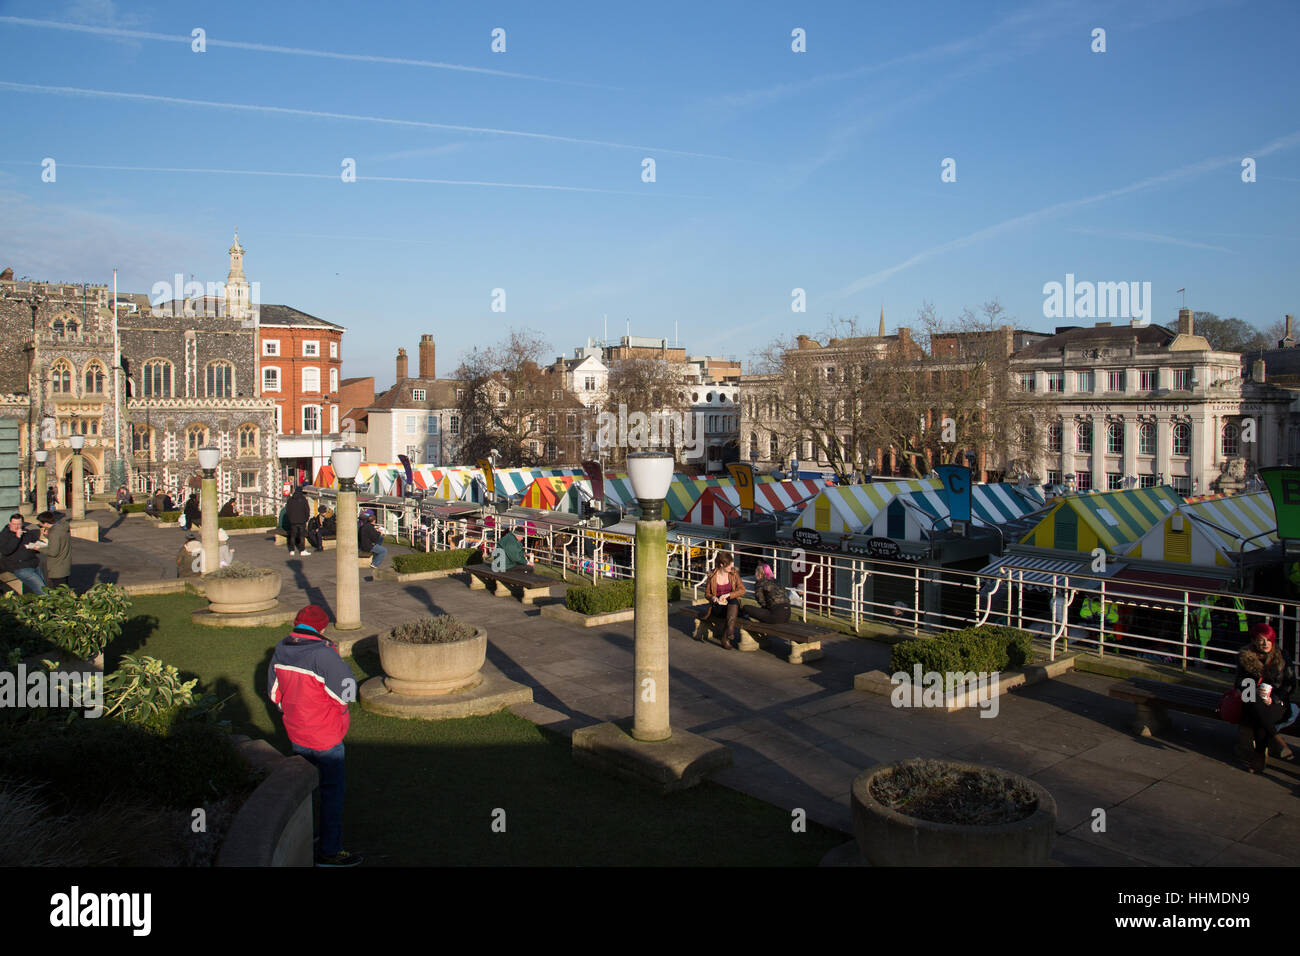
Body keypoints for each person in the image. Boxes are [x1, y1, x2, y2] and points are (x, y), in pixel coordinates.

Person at [267, 605, 362, 867]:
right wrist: (337, 711)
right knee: (332, 792)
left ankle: (310, 835)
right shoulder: (323, 654)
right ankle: (329, 851)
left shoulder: (281, 648)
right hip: (326, 735)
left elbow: (274, 695)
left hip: (296, 731)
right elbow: (347, 691)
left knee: (306, 788)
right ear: (321, 627)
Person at [1235, 622, 1295, 772]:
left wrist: (1273, 697)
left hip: (1277, 703)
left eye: (1268, 640)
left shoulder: (1282, 656)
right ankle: (1277, 740)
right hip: (1252, 700)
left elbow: (1290, 684)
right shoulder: (1245, 657)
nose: (1265, 643)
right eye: (1261, 640)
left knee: (1259, 716)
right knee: (1256, 706)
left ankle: (1259, 756)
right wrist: (1254, 689)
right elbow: (1240, 682)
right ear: (1254, 640)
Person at [695, 552, 746, 649]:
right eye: (729, 565)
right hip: (717, 607)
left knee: (734, 602)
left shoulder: (733, 574)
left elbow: (742, 590)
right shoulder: (712, 575)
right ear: (722, 565)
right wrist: (713, 598)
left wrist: (729, 595)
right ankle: (726, 636)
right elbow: (707, 594)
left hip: (731, 606)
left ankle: (728, 632)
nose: (732, 567)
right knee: (731, 610)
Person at [0, 513, 46, 594]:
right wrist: (17, 537)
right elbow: (6, 551)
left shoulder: (26, 532)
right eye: (14, 524)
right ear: (10, 523)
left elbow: (34, 541)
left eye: (19, 524)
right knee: (42, 589)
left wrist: (39, 545)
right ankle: (50, 605)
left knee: (44, 587)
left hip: (33, 563)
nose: (16, 526)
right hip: (19, 567)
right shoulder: (4, 535)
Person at [37, 511, 71, 590]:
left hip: (57, 567)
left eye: (40, 524)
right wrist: (47, 535)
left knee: (60, 592)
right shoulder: (62, 528)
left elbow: (53, 552)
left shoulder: (54, 533)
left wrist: (38, 548)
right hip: (64, 564)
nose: (40, 525)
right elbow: (59, 540)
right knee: (64, 589)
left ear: (45, 523)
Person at [285, 486, 311, 557]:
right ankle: (302, 550)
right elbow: (307, 510)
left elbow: (288, 511)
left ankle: (292, 550)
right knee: (302, 536)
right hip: (302, 521)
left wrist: (290, 519)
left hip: (293, 521)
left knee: (293, 536)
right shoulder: (303, 499)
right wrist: (306, 519)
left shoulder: (290, 500)